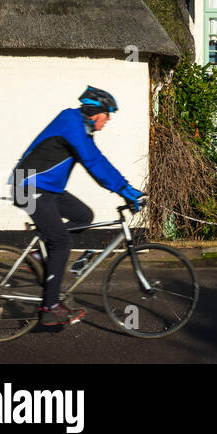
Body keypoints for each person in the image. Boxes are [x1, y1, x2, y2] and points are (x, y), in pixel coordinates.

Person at [9, 86, 145, 327]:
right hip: (28, 187)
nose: (109, 119)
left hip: (45, 189)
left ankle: (39, 254)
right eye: (108, 113)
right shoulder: (71, 123)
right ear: (95, 112)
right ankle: (49, 307)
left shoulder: (81, 128)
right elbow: (93, 163)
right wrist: (126, 190)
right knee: (61, 242)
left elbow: (98, 160)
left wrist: (125, 189)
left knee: (83, 215)